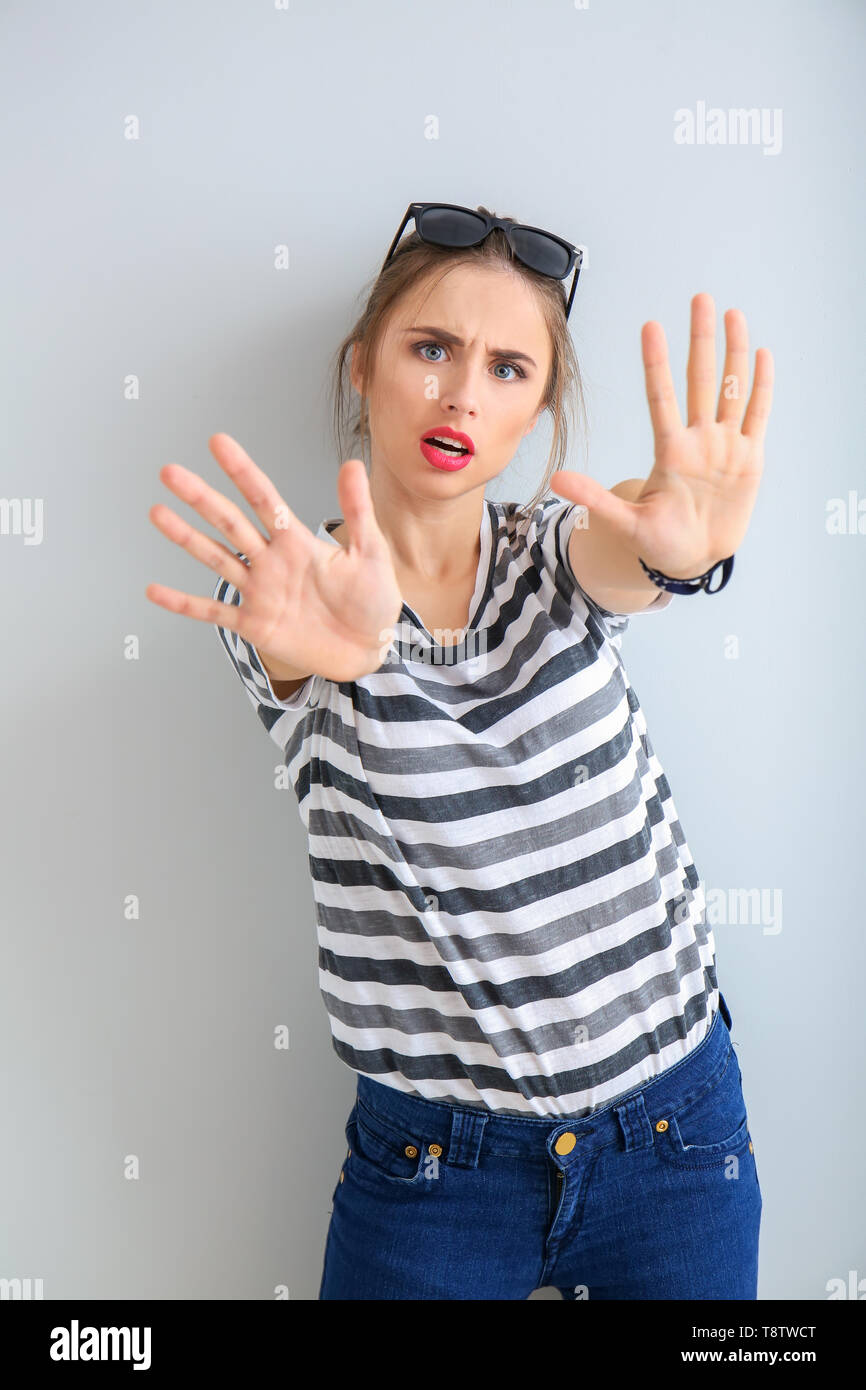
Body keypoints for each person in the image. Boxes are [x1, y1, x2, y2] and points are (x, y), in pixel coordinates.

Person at [146, 202, 773, 1300]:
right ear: (363, 367)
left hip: (672, 1135)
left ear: (533, 412)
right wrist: (333, 645)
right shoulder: (289, 594)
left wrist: (686, 557)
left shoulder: (551, 557)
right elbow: (287, 652)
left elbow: (624, 547)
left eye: (506, 368)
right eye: (430, 348)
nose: (460, 395)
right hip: (434, 1174)